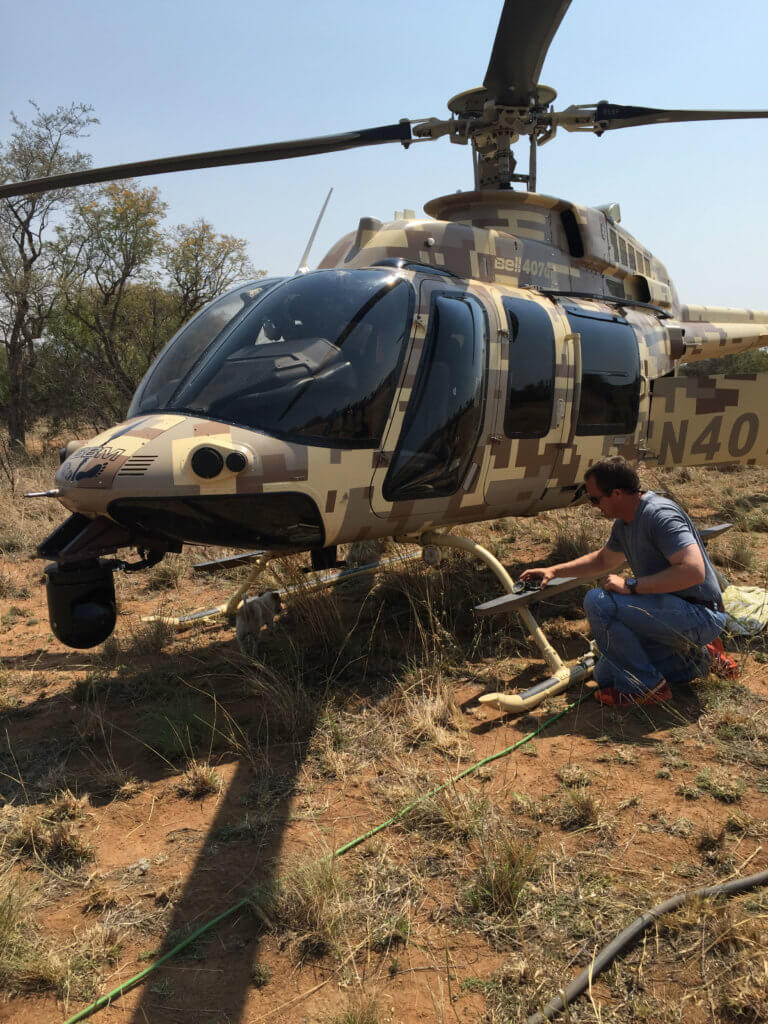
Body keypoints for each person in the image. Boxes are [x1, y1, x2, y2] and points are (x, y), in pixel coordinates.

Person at [520, 457, 726, 708]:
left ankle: (646, 688)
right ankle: (701, 658)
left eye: (595, 499)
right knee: (605, 674)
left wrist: (630, 586)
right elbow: (602, 560)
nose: (593, 506)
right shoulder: (625, 522)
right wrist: (553, 570)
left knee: (597, 601)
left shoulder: (658, 515)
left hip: (699, 613)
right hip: (672, 612)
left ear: (616, 493)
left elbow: (693, 571)